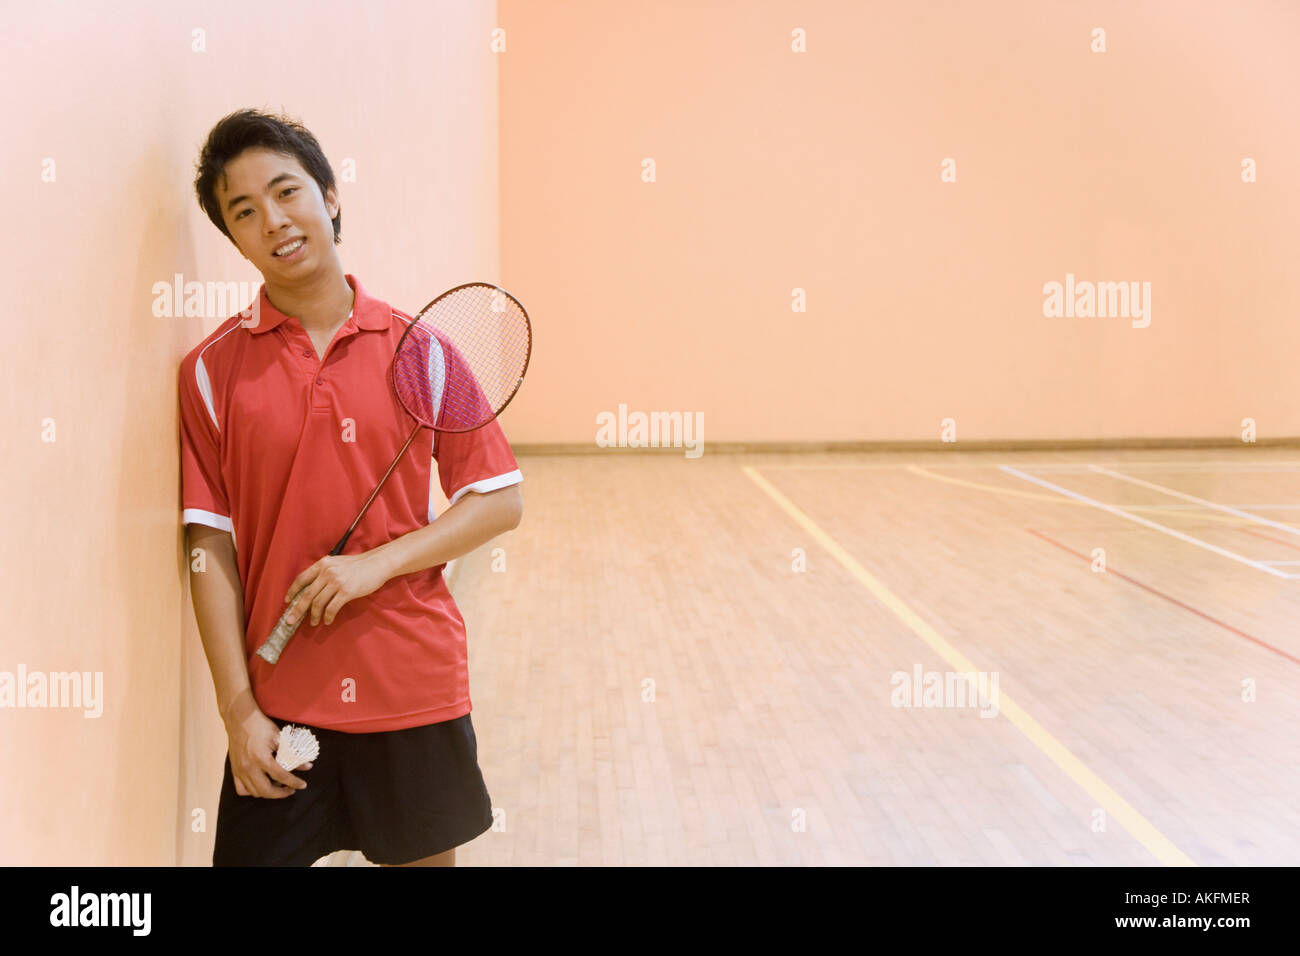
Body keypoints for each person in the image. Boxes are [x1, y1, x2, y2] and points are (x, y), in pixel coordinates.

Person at [179, 108, 523, 866]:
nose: (273, 219)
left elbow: (500, 498)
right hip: (280, 703)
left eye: (286, 191)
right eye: (244, 211)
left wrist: (377, 563)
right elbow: (208, 545)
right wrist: (238, 712)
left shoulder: (423, 350)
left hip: (411, 685)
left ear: (329, 196)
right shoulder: (208, 372)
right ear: (234, 239)